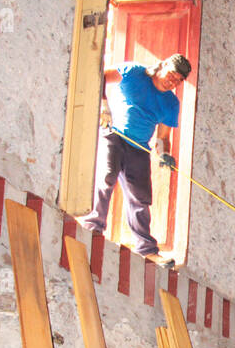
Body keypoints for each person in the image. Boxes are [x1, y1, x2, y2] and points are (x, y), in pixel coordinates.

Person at [80, 53, 191, 263]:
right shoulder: (134, 73)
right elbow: (101, 76)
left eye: (178, 81)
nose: (172, 82)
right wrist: (104, 106)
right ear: (163, 65)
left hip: (139, 148)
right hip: (113, 134)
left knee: (141, 198)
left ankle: (147, 249)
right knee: (107, 177)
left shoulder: (171, 103)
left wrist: (165, 153)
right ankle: (92, 227)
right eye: (172, 75)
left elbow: (163, 138)